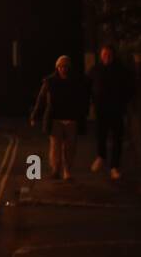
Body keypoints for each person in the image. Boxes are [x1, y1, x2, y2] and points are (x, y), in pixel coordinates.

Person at [30, 54, 89, 180]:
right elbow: (41, 99)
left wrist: (83, 114)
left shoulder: (76, 81)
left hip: (71, 118)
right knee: (55, 147)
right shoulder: (50, 81)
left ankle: (67, 170)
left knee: (70, 147)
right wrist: (35, 115)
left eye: (66, 66)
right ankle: (55, 170)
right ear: (57, 67)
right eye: (61, 66)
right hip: (55, 118)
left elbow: (82, 99)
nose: (63, 69)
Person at [89, 45, 134, 180]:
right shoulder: (95, 70)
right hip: (101, 109)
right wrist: (92, 101)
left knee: (117, 138)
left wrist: (123, 101)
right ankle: (101, 156)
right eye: (104, 55)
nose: (106, 57)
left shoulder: (121, 70)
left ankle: (114, 166)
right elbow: (88, 85)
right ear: (101, 56)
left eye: (108, 55)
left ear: (113, 55)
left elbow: (129, 88)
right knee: (100, 135)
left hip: (116, 109)